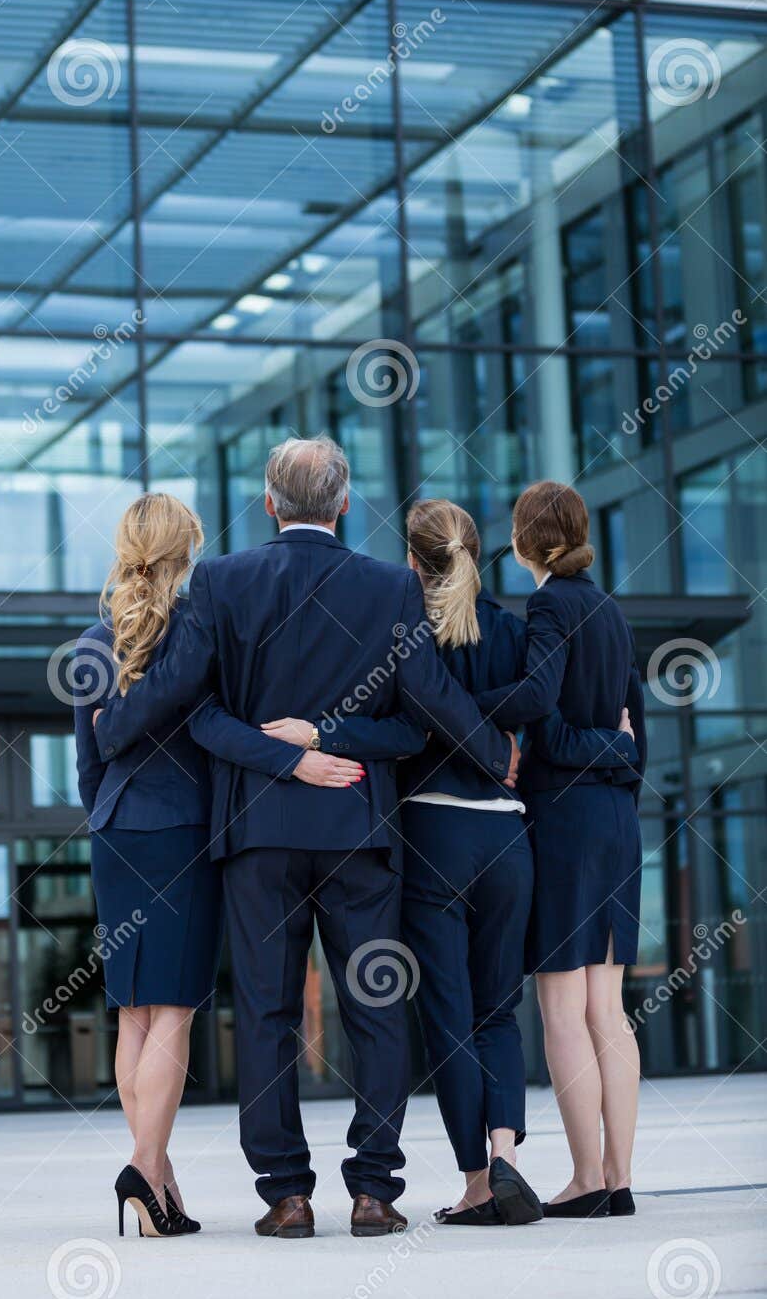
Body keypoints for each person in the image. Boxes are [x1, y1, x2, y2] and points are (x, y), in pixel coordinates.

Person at [93, 437, 519, 1240]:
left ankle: (286, 1196)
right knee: (375, 1008)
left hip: (257, 835)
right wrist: (494, 755)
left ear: (267, 503)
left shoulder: (221, 581)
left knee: (265, 1014)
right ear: (345, 503)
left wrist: (120, 729)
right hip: (358, 829)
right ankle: (373, 1191)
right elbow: (422, 708)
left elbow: (192, 706)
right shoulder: (391, 587)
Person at [238, 499, 632, 1227]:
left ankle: (479, 1184)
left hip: (433, 841)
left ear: (412, 563)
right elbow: (536, 711)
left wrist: (323, 733)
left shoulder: (402, 633)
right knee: (497, 1015)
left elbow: (398, 729)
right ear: (479, 555)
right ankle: (507, 1150)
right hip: (508, 843)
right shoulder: (515, 629)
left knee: (448, 1019)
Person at [476, 481, 646, 1220]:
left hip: (567, 820)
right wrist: (615, 749)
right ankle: (618, 1176)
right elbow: (639, 743)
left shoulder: (547, 605)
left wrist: (468, 712)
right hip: (617, 820)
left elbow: (542, 718)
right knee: (607, 1010)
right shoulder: (610, 608)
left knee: (560, 1007)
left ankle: (584, 1178)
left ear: (521, 542)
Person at [73, 493, 224, 1240]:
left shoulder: (90, 646)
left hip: (115, 837)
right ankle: (143, 1165)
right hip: (181, 834)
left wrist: (110, 819)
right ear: (183, 553)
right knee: (174, 1010)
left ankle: (158, 1183)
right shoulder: (197, 634)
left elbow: (87, 770)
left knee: (133, 1011)